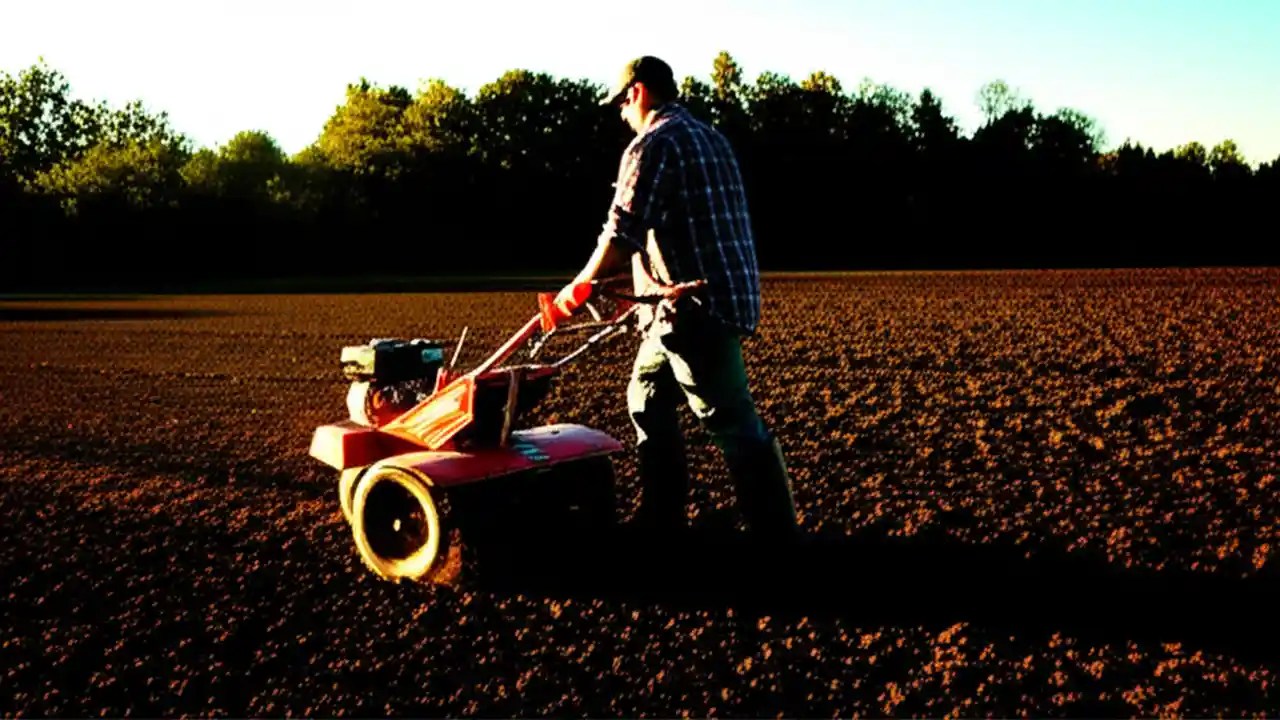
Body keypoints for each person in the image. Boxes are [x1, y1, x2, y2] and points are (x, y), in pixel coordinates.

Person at [554, 55, 799, 542]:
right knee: (645, 397)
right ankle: (661, 519)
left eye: (622, 104)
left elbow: (622, 233)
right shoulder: (712, 138)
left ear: (638, 92)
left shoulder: (652, 145)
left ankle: (778, 539)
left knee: (728, 417)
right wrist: (641, 288)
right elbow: (689, 223)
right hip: (698, 302)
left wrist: (577, 287)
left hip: (693, 310)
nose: (622, 115)